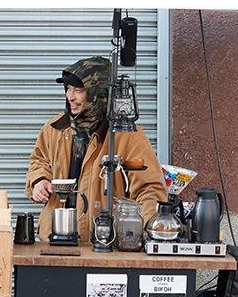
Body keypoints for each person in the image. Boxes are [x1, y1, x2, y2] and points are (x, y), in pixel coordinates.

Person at [26, 56, 168, 241]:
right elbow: (39, 161)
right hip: (54, 239)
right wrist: (39, 181)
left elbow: (149, 189)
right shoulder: (54, 128)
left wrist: (154, 226)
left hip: (104, 242)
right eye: (68, 89)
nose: (70, 97)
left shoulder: (127, 135)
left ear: (98, 93)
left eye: (78, 90)